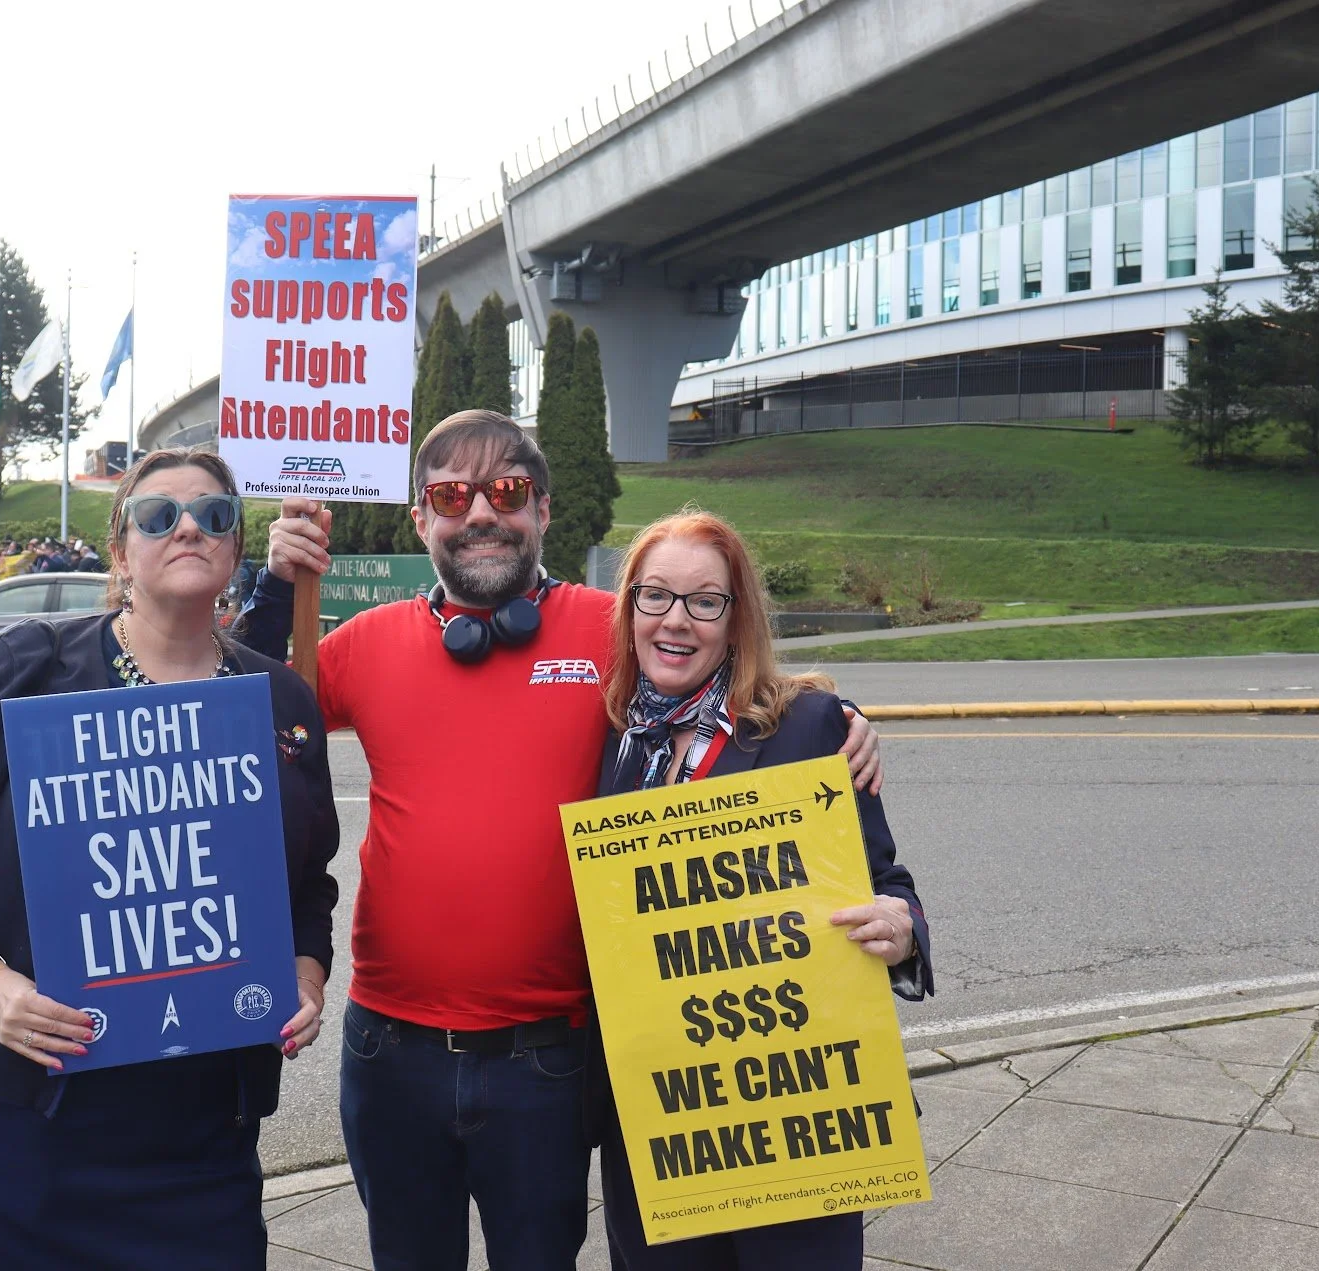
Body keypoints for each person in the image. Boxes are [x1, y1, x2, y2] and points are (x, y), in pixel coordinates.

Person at [237, 409, 881, 1271]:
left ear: (542, 509)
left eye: (505, 490)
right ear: (419, 518)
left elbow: (718, 653)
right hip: (390, 1050)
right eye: (450, 494)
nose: (480, 512)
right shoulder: (362, 645)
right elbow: (231, 718)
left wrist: (835, 710)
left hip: (546, 1057)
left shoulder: (611, 628)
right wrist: (278, 590)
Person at [0, 446, 340, 1270]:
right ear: (121, 551)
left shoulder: (280, 699)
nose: (189, 526)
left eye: (215, 515)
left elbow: (309, 881)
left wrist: (305, 970)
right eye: (160, 515)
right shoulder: (32, 667)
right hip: (29, 1123)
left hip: (203, 1134)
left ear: (236, 550)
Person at [591, 509, 932, 1270]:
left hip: (793, 1126)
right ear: (630, 609)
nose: (676, 621)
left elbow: (889, 880)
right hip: (661, 1127)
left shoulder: (807, 727)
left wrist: (902, 926)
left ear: (736, 616)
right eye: (656, 597)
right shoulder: (609, 743)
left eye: (704, 601)